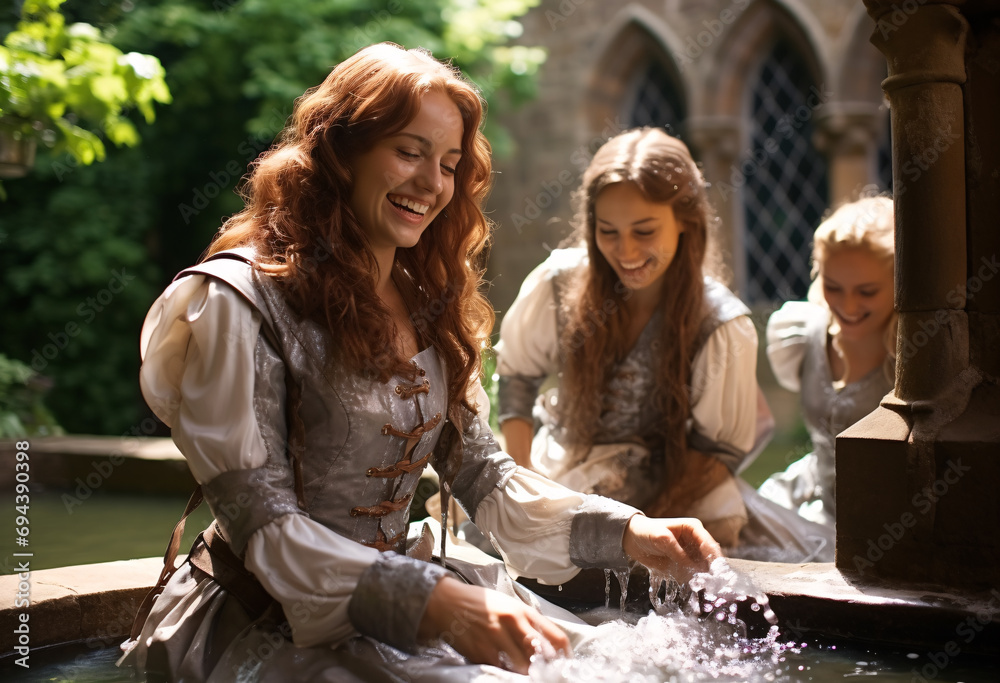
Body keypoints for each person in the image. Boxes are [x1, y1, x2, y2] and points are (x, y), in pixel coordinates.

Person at [119, 44, 721, 683]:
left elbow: (486, 478)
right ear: (339, 151)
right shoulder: (236, 304)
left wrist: (629, 532)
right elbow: (266, 530)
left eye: (450, 163)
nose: (432, 184)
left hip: (410, 596)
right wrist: (433, 602)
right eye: (408, 152)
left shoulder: (427, 303)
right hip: (269, 628)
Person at [496, 128, 769, 550]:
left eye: (644, 231)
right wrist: (521, 481)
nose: (625, 252)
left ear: (685, 220)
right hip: (562, 472)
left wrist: (643, 530)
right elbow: (517, 375)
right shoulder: (557, 282)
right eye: (608, 231)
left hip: (675, 491)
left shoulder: (720, 322)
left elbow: (715, 452)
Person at [759, 196, 896, 527]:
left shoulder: (913, 354)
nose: (848, 305)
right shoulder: (803, 333)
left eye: (866, 292)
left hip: (887, 520)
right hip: (810, 497)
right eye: (834, 287)